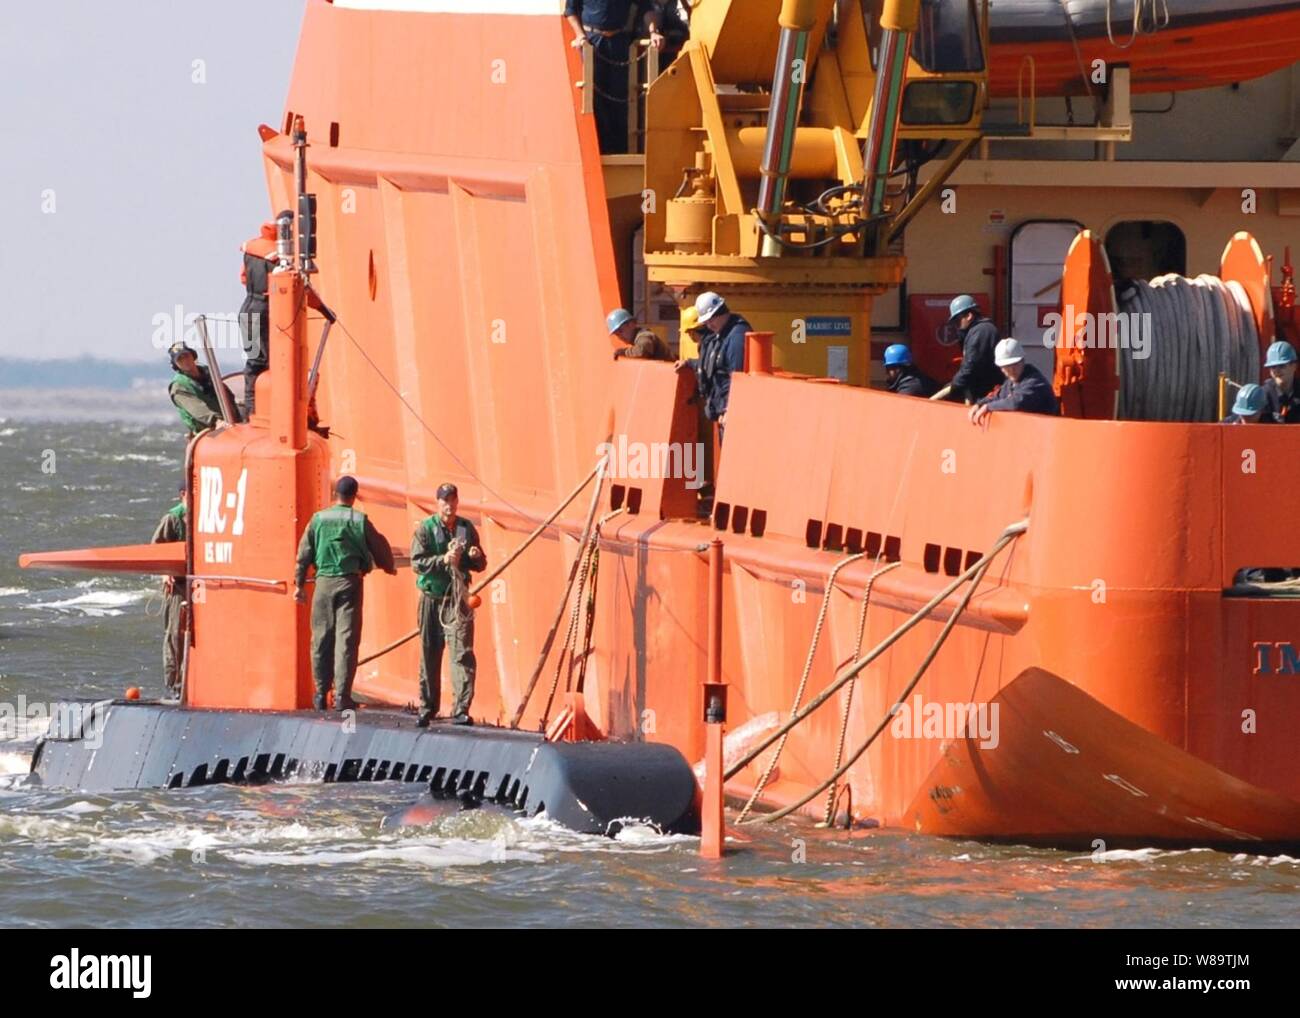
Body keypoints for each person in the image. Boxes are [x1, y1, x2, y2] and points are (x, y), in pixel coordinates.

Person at [293, 476, 396, 711]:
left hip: (323, 584)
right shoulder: (358, 520)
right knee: (346, 640)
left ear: (335, 494)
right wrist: (389, 567)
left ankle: (320, 694)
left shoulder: (318, 519)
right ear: (354, 495)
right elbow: (379, 547)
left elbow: (304, 553)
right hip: (349, 583)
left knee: (320, 639)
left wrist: (299, 584)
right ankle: (342, 696)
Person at [412, 483, 487, 727]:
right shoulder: (425, 529)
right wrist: (442, 560)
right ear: (438, 503)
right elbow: (418, 563)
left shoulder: (465, 528)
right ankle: (427, 706)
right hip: (432, 599)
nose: (450, 505)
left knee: (462, 653)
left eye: (453, 500)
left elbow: (480, 564)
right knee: (429, 653)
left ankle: (461, 708)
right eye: (445, 501)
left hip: (457, 600)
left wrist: (475, 557)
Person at [564, 2, 651, 153]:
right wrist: (580, 35)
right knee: (594, 97)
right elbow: (570, 11)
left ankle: (619, 150)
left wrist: (653, 30)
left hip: (618, 42)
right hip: (591, 40)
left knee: (620, 97)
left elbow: (647, 8)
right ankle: (596, 149)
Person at [675, 291, 751, 440]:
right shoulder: (721, 333)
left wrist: (730, 409)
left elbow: (738, 377)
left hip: (729, 413)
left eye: (710, 320)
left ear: (720, 312)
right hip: (721, 409)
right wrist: (690, 363)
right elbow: (714, 364)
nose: (709, 325)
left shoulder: (736, 338)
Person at [239, 215, 286, 417]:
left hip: (247, 309)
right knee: (269, 361)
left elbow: (243, 277)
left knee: (253, 361)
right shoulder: (278, 255)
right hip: (266, 309)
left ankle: (252, 411)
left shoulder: (251, 250)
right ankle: (271, 410)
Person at [968, 339, 1059, 424]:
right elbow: (997, 397)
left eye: (1015, 364)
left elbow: (1015, 402)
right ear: (1001, 368)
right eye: (1006, 366)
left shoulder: (1035, 382)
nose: (1011, 370)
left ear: (1023, 361)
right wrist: (980, 404)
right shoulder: (1010, 383)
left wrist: (988, 407)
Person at [150, 487, 187, 695]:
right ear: (183, 495)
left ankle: (187, 679)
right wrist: (165, 573)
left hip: (196, 582)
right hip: (177, 585)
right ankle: (173, 683)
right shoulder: (172, 519)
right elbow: (155, 549)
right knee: (174, 634)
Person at [935, 295, 1002, 404]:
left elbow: (971, 366)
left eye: (957, 320)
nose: (956, 326)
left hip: (988, 394)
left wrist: (955, 385)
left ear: (969, 316)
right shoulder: (977, 331)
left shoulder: (981, 331)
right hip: (981, 392)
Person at [168, 341, 235, 436]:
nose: (185, 360)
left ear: (192, 355)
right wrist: (216, 422)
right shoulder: (179, 386)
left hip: (229, 420)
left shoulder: (208, 371)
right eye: (180, 359)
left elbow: (226, 393)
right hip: (208, 431)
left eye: (186, 356)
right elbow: (197, 409)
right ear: (175, 364)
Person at [607, 308, 672, 360]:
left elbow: (641, 352)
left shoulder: (644, 336)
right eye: (617, 334)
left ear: (631, 324)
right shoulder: (638, 339)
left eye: (621, 331)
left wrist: (623, 352)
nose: (620, 336)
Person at [1261, 341, 1300, 423]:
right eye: (1273, 367)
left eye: (1282, 366)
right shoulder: (1262, 396)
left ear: (1294, 366)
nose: (1277, 371)